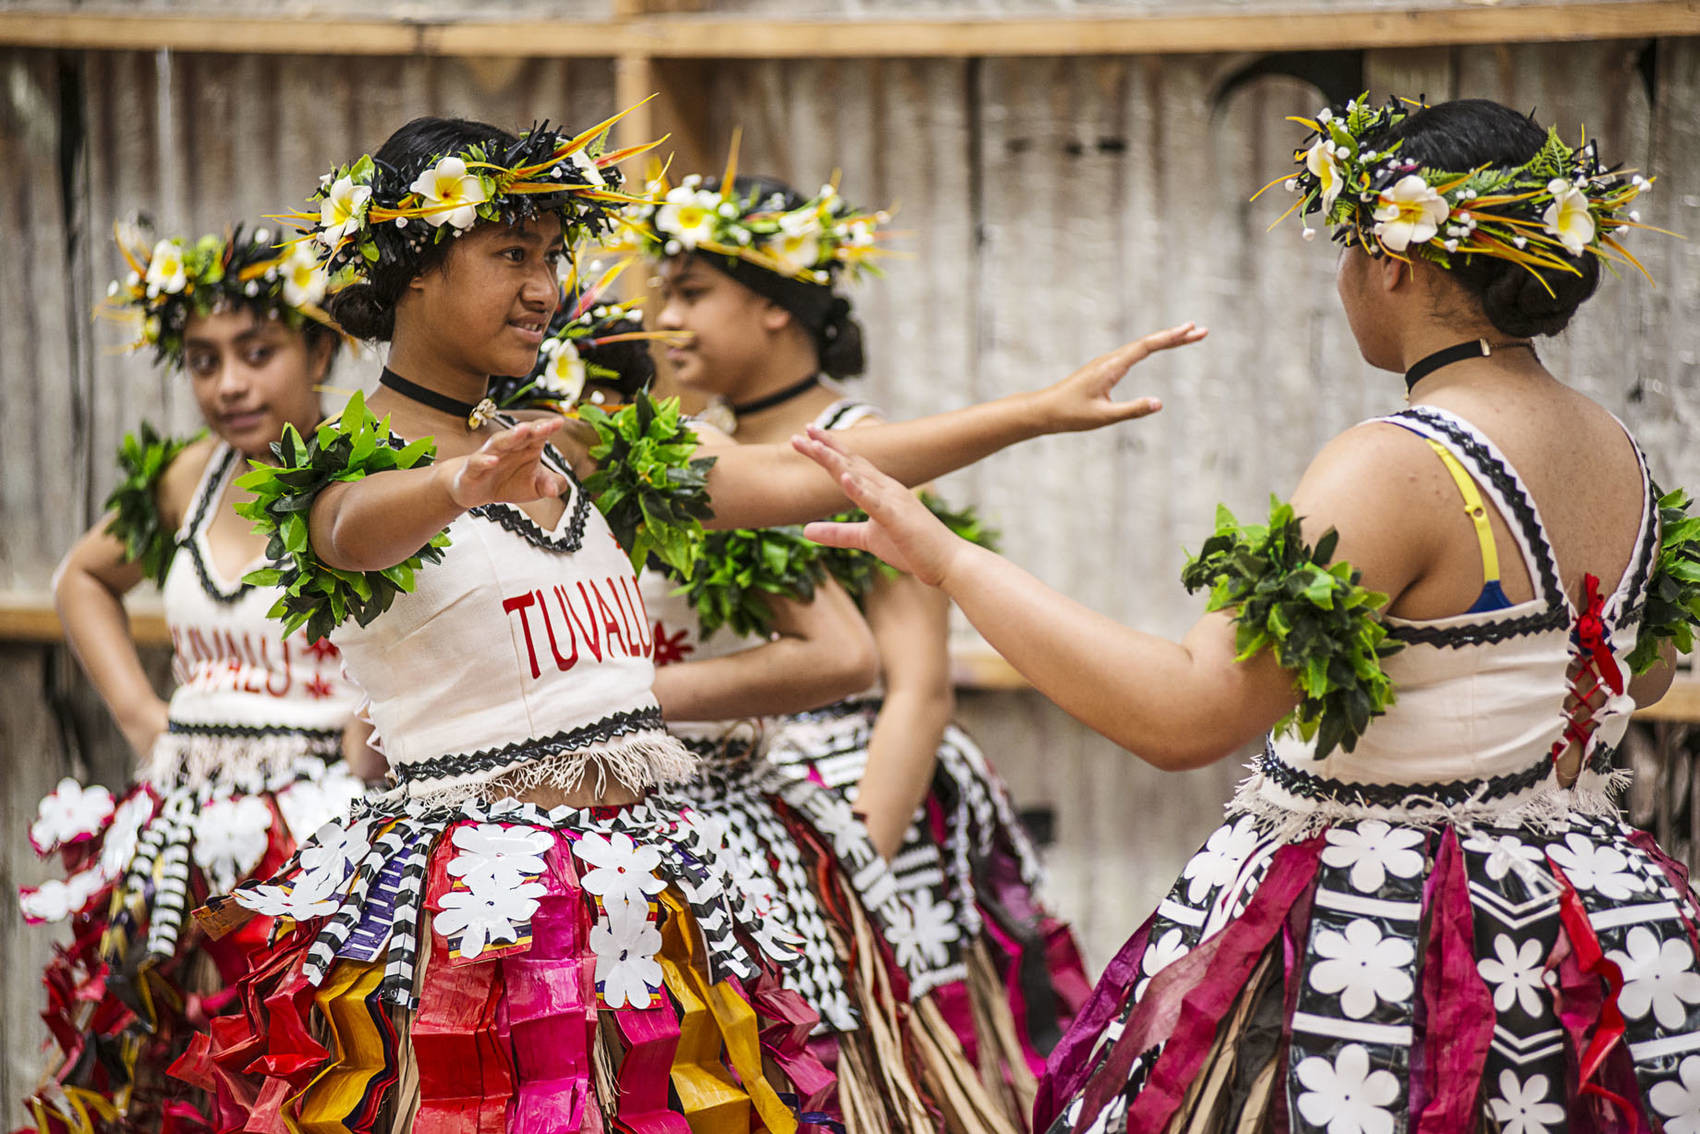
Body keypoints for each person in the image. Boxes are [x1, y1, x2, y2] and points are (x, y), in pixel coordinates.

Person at [172, 110, 1199, 1133]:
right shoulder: (345, 464)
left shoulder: (566, 441)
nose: (544, 286)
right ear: (417, 268)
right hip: (487, 918)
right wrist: (453, 484)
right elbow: (351, 533)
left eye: (551, 256)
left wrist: (1031, 412)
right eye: (510, 253)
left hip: (649, 881)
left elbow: (798, 479)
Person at [793, 97, 1697, 1133]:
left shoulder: (1399, 463)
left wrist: (948, 560)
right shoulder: (1613, 450)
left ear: (1389, 261)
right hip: (1593, 929)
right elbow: (1647, 669)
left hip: (1401, 946)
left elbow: (1183, 715)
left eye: (1348, 252)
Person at [641, 161, 1091, 1106]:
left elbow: (918, 689)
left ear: (776, 304)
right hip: (733, 804)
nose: (663, 317)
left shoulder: (862, 446)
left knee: (885, 1070)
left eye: (691, 292)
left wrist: (849, 877)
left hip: (863, 803)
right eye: (658, 294)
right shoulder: (690, 447)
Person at [21, 225, 375, 1134]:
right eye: (203, 360)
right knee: (168, 1060)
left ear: (322, 347)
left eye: (258, 354)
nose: (228, 385)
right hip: (180, 820)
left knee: (297, 1070)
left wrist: (376, 726)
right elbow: (82, 578)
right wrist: (144, 718)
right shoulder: (191, 477)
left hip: (321, 833)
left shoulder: (364, 480)